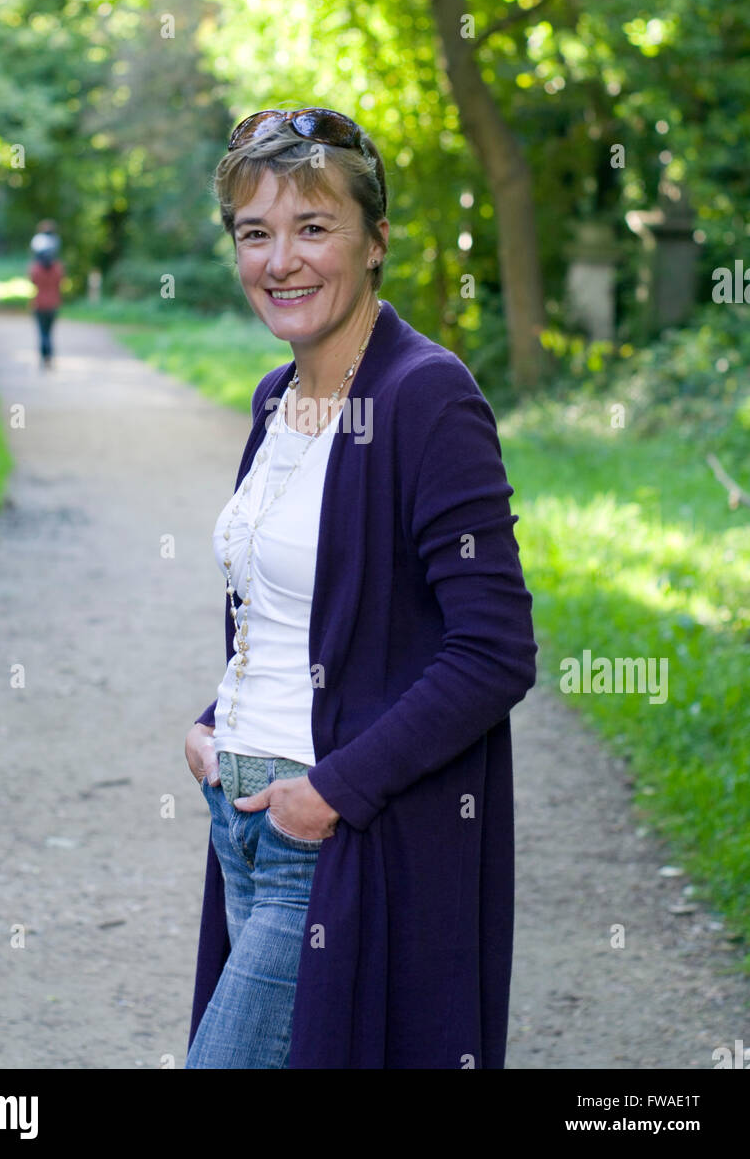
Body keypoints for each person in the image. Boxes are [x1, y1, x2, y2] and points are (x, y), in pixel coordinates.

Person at [184, 106, 538, 1070]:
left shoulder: (428, 398)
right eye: (254, 233)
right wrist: (217, 720)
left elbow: (493, 650)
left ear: (374, 242)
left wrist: (334, 792)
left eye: (312, 227)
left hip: (326, 829)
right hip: (241, 813)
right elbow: (292, 608)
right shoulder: (275, 398)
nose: (280, 260)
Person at [27, 221, 64, 370]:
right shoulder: (58, 268)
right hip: (53, 303)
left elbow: (33, 281)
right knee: (49, 332)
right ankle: (49, 357)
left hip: (40, 303)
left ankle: (45, 357)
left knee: (42, 333)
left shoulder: (36, 269)